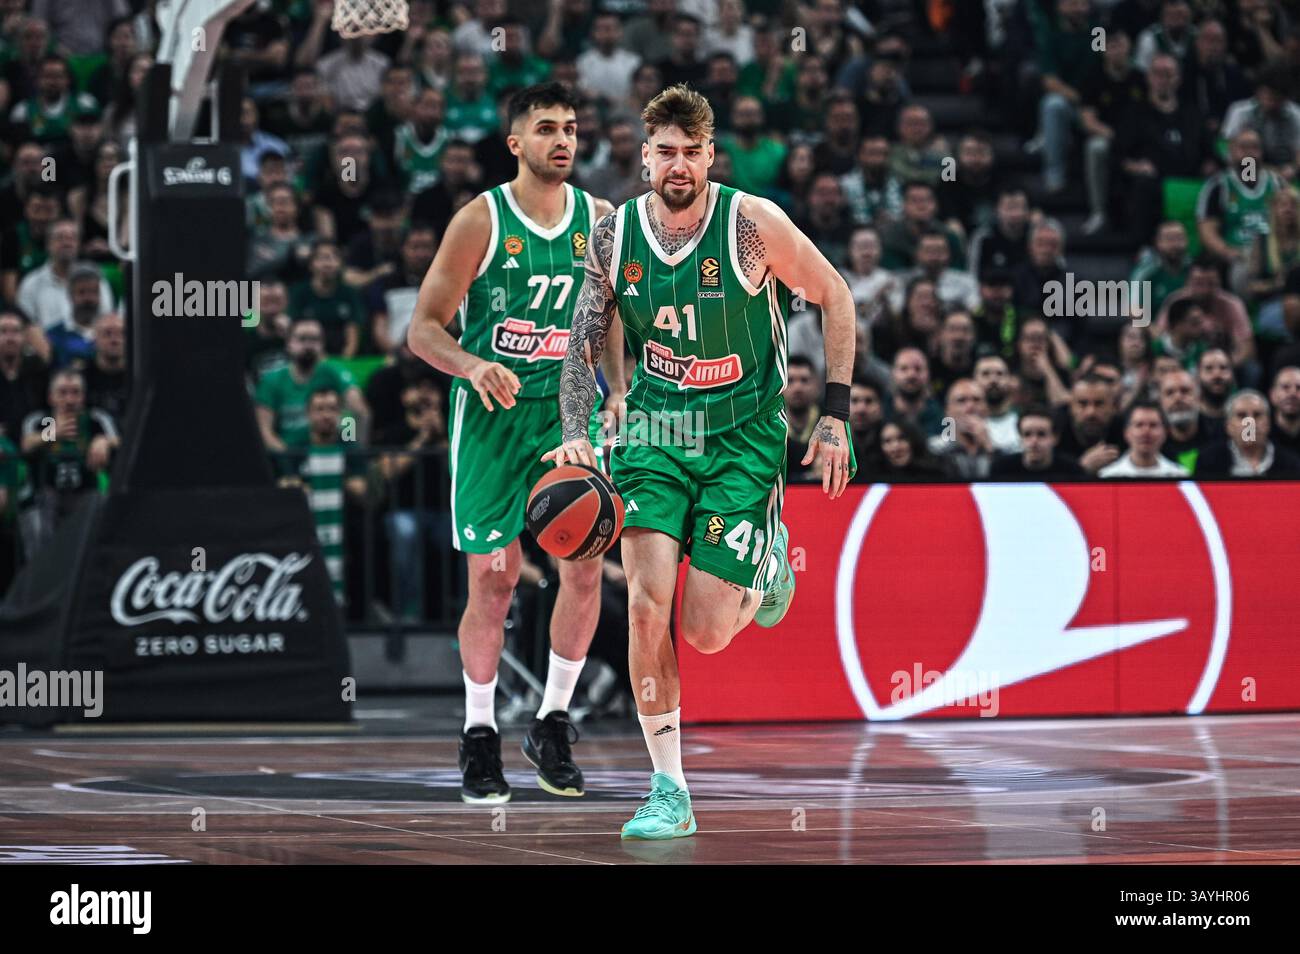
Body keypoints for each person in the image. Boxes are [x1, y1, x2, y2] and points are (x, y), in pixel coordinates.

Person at [543, 85, 855, 840]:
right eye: (665, 152)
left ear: (711, 156)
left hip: (745, 435)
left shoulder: (752, 225)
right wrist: (576, 428)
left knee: (708, 629)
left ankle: (770, 563)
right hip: (657, 430)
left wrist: (837, 417)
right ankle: (669, 791)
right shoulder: (614, 235)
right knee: (648, 603)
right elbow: (586, 336)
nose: (678, 165)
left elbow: (835, 296)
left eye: (692, 152)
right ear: (644, 155)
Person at [407, 83, 621, 805]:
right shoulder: (480, 220)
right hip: (493, 415)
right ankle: (478, 733)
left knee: (585, 566)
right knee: (494, 582)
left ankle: (553, 721)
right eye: (547, 129)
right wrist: (471, 363)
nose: (563, 140)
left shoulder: (602, 220)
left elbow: (610, 321)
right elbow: (423, 328)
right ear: (516, 144)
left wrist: (617, 393)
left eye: (571, 128)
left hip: (567, 415)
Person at [1195, 388, 1300, 477]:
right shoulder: (1208, 462)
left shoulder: (1291, 464)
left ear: (1268, 423)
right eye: (1242, 415)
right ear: (1228, 426)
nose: (1250, 422)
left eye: (1257, 415)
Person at [989, 406, 1086, 480]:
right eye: (1027, 434)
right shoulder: (1002, 469)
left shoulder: (1071, 471)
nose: (1034, 441)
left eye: (1041, 434)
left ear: (1055, 438)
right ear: (1020, 438)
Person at [1098, 401, 1189, 477]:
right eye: (1139, 425)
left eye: (1153, 425)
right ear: (1126, 433)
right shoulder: (1109, 476)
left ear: (1165, 433)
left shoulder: (1179, 476)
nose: (1146, 432)